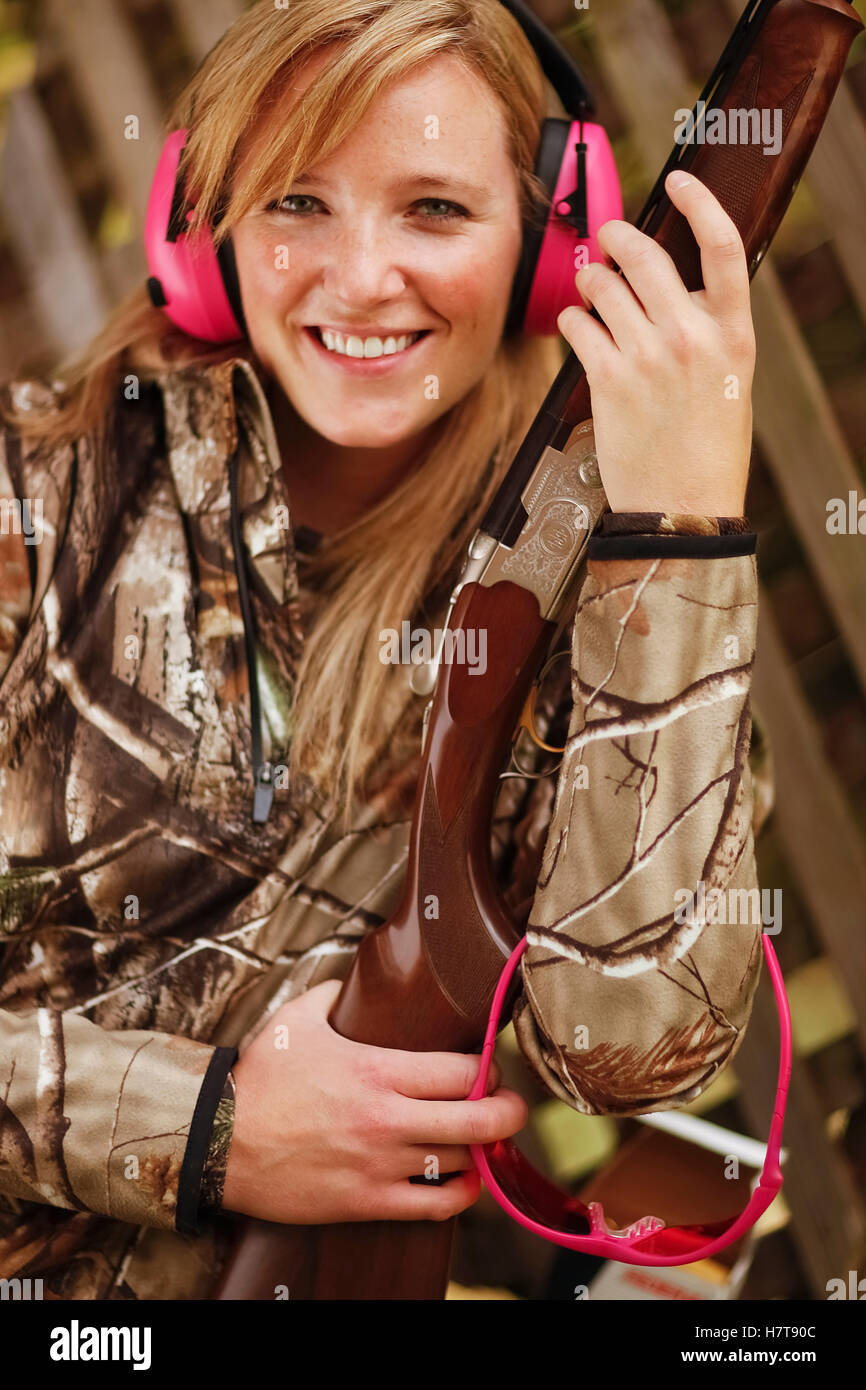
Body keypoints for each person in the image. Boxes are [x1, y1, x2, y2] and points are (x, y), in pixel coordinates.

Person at [0, 0, 763, 1300]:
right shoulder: (32, 500)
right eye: (297, 201)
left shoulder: (586, 615)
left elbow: (639, 1049)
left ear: (550, 245)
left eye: (435, 209)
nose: (360, 279)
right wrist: (211, 1128)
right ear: (203, 229)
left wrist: (680, 537)